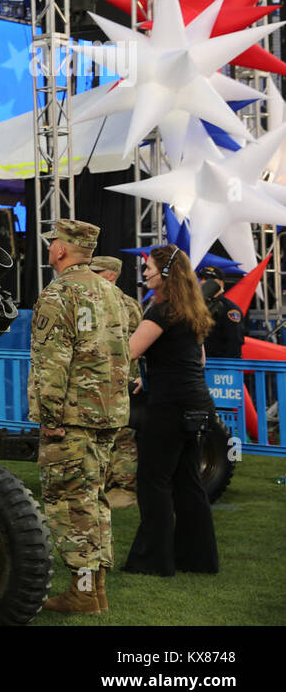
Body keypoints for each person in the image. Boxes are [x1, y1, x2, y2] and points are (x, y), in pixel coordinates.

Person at [28, 219, 130, 614]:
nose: (51, 246)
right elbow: (122, 354)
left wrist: (50, 417)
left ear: (61, 250)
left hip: (71, 418)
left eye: (54, 241)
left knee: (71, 505)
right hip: (107, 415)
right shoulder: (111, 292)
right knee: (93, 501)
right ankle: (94, 589)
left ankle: (83, 592)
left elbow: (52, 364)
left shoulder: (59, 294)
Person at [122, 245, 220, 577]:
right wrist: (150, 380)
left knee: (154, 482)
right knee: (188, 482)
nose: (145, 272)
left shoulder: (161, 312)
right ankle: (197, 559)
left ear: (165, 274)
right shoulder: (191, 311)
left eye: (149, 267)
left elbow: (129, 352)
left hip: (169, 409)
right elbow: (199, 360)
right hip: (197, 405)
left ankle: (154, 561)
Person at [91, 255, 143, 508]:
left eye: (97, 272)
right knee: (103, 433)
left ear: (111, 275)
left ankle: (126, 488)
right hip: (100, 380)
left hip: (120, 380)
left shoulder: (124, 305)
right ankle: (110, 482)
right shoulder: (97, 302)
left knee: (122, 434)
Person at [200, 267, 245, 359]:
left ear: (220, 283)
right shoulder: (196, 305)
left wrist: (229, 367)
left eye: (207, 279)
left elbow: (234, 341)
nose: (202, 282)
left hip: (220, 365)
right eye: (202, 278)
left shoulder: (229, 309)